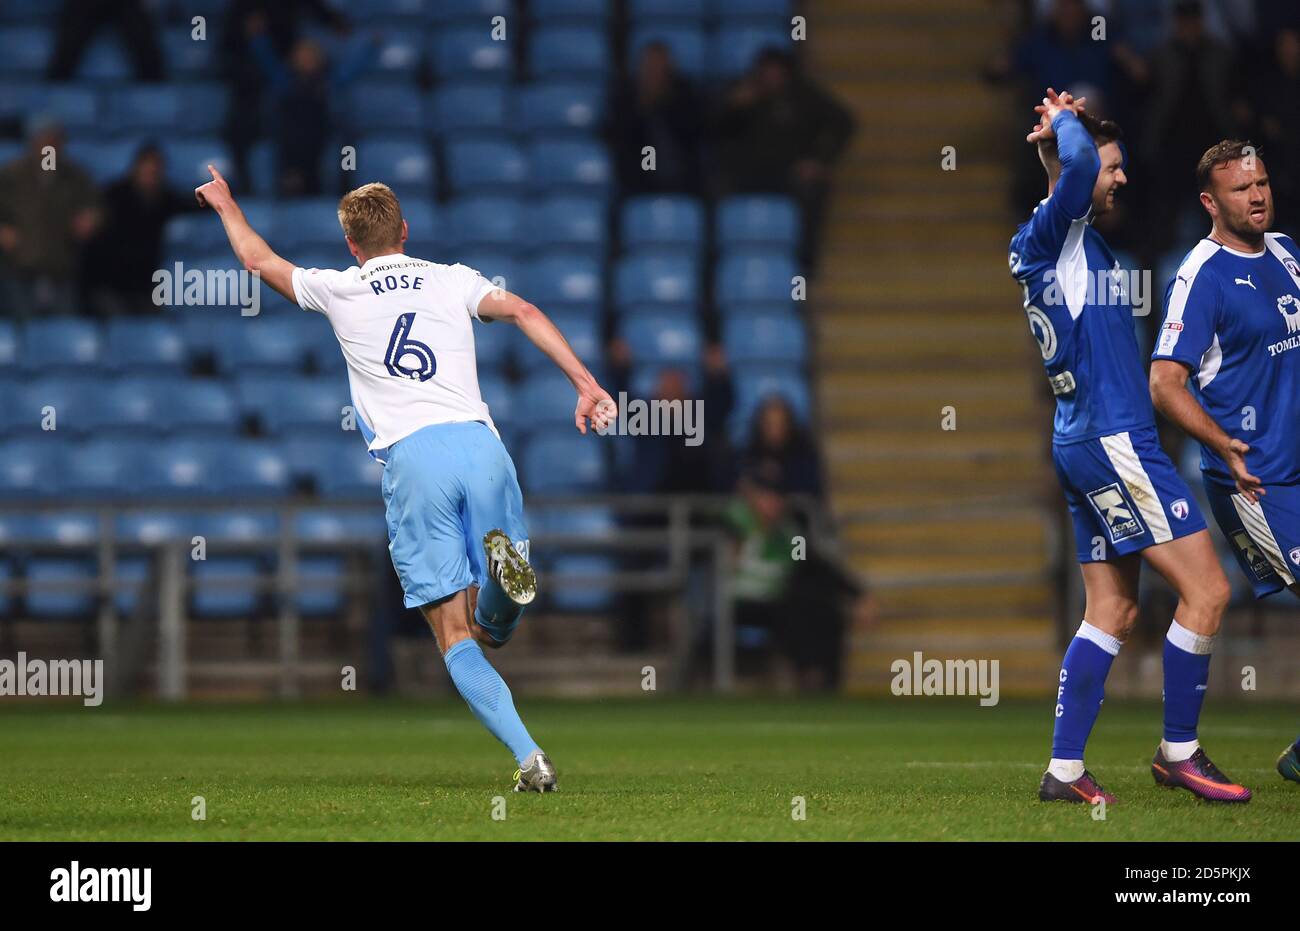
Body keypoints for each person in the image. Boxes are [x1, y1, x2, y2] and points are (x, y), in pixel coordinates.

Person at [193, 167, 616, 792]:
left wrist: (228, 204)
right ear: (406, 232)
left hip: (416, 460)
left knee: (453, 635)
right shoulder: (453, 278)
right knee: (494, 626)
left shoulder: (339, 288)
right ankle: (501, 593)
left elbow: (258, 260)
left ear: (351, 245)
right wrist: (585, 383)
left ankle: (532, 758)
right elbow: (524, 308)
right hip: (481, 445)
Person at [1008, 89, 1247, 804]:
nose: (1121, 179)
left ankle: (1064, 768)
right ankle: (1179, 750)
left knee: (1111, 611)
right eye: (1113, 169)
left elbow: (1078, 169)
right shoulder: (1064, 230)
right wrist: (1070, 124)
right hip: (1114, 440)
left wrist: (1074, 136)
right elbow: (1076, 168)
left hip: (1082, 438)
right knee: (1207, 589)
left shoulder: (1049, 244)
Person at [1148, 139, 1300, 786]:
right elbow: (1164, 382)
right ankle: (1176, 750)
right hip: (1255, 477)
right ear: (1211, 201)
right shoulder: (1201, 276)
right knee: (1207, 596)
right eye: (1241, 189)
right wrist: (1220, 444)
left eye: (1261, 182)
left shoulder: (1290, 253)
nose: (1257, 195)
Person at [82, 143, 200, 315]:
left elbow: (189, 204)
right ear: (136, 169)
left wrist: (217, 197)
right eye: (147, 169)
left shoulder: (165, 198)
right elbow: (92, 219)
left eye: (155, 171)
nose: (150, 175)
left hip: (145, 282)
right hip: (109, 282)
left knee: (153, 323)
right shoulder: (115, 195)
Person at [0, 118, 100, 317]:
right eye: (45, 141)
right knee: (21, 326)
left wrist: (92, 218)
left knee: (65, 327)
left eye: (55, 141)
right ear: (33, 143)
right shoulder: (11, 175)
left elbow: (95, 207)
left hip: (62, 266)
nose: (49, 146)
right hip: (20, 266)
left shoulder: (76, 176)